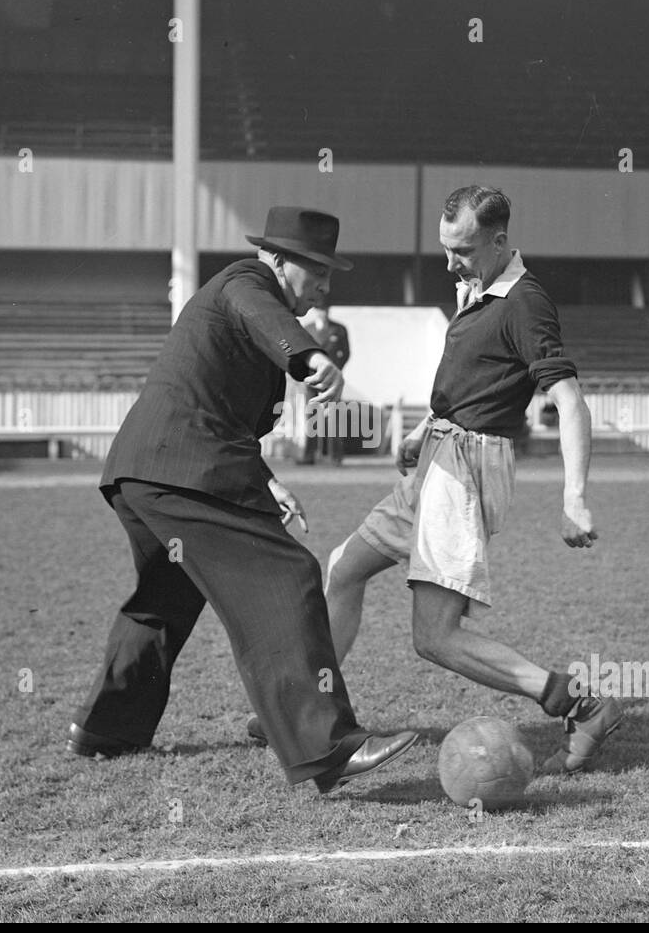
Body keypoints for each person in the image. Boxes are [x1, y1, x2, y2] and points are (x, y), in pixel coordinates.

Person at [248, 186, 623, 775]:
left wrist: (574, 498)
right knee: (345, 566)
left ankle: (580, 703)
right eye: (446, 249)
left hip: (467, 473)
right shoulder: (476, 286)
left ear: (500, 242)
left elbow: (570, 401)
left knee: (435, 637)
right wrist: (427, 427)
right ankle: (309, 707)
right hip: (438, 458)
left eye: (464, 251)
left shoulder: (525, 302)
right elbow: (477, 380)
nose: (451, 264)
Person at [69, 207, 418, 794]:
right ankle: (326, 745)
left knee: (164, 596)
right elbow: (261, 315)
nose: (327, 285)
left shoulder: (252, 328)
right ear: (278, 260)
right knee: (288, 574)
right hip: (184, 470)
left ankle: (106, 730)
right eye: (318, 270)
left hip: (144, 471)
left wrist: (271, 483)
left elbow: (232, 422)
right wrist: (311, 357)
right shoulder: (244, 283)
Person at [296, 303, 351, 465]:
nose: (323, 313)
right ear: (315, 311)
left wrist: (336, 370)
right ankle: (309, 455)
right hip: (312, 378)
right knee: (311, 416)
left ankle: (335, 456)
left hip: (331, 379)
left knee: (334, 416)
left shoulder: (339, 329)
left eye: (325, 310)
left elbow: (346, 353)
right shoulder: (308, 328)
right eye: (320, 310)